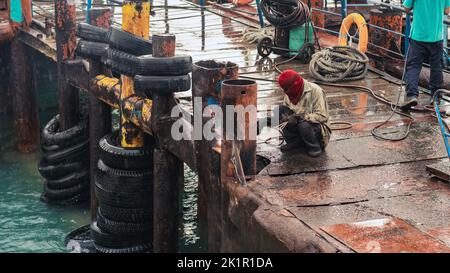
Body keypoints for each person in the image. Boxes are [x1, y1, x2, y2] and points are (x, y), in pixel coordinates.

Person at [259, 69, 331, 157]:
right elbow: (286, 110)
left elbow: (322, 116)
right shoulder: (290, 91)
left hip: (316, 128)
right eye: (284, 90)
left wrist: (300, 117)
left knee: (303, 125)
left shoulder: (316, 91)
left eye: (287, 89)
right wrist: (266, 121)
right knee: (280, 111)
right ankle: (295, 142)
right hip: (300, 124)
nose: (286, 93)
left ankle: (315, 147)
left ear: (295, 85)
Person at [401, 0, 450, 110]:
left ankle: (411, 95)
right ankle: (436, 96)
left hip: (418, 36)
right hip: (436, 37)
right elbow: (447, 11)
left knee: (413, 66)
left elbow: (406, 8)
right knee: (436, 66)